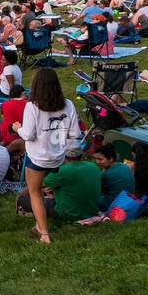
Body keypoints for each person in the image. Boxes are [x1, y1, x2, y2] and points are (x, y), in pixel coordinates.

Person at [12, 67, 81, 244]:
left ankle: (44, 234)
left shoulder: (32, 107)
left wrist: (16, 128)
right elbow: (75, 133)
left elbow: (27, 134)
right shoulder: (68, 105)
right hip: (58, 157)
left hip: (37, 158)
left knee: (35, 193)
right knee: (49, 190)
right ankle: (39, 224)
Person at [16, 140, 100, 222]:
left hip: (69, 214)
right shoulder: (93, 166)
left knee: (25, 199)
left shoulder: (62, 170)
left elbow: (37, 186)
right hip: (91, 211)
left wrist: (20, 195)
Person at [92, 143, 135, 211]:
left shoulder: (106, 175)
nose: (97, 162)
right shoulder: (123, 166)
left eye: (100, 159)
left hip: (113, 206)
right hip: (129, 203)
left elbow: (95, 193)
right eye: (96, 159)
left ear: (111, 159)